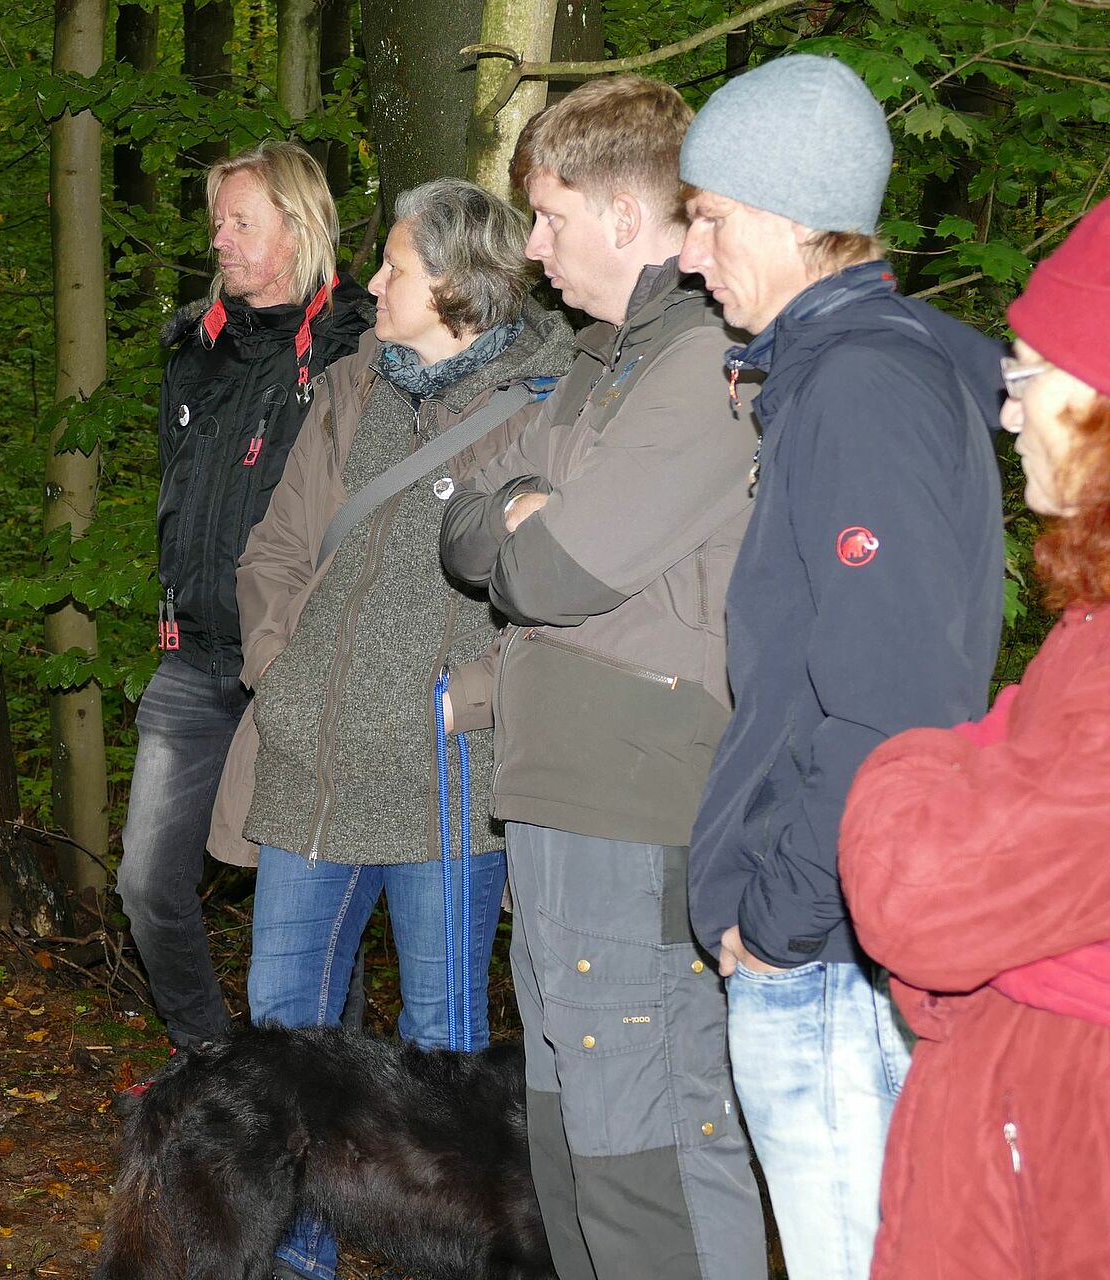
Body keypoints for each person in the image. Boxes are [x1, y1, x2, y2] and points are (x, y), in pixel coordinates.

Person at [677, 56, 1005, 1280]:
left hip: (830, 955)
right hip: (834, 934)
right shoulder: (841, 374)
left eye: (709, 217)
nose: (691, 252)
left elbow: (896, 703)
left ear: (787, 213)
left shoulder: (863, 389)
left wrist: (783, 919)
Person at [436, 76, 766, 1280]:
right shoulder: (595, 363)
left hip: (633, 812)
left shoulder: (706, 367)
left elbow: (550, 570)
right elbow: (464, 526)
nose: (532, 246)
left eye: (549, 215)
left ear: (627, 217)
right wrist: (521, 513)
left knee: (647, 1158)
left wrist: (528, 517)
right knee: (571, 1150)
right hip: (555, 799)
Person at [215, 177, 575, 1280]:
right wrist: (279, 672)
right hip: (311, 771)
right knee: (283, 1044)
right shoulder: (351, 385)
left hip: (445, 781)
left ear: (457, 286)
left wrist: (472, 697)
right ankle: (298, 1264)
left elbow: (570, 593)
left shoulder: (552, 402)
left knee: (443, 1060)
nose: (371, 281)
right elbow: (276, 549)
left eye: (396, 267)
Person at [838, 198, 1110, 1280]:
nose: (1007, 410)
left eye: (1032, 374)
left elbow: (923, 899)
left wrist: (907, 759)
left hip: (1055, 1176)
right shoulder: (1089, 631)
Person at [118, 141, 372, 1051]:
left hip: (302, 666)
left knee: (307, 903)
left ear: (299, 228)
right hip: (194, 658)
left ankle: (327, 1092)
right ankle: (213, 1063)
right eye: (216, 221)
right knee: (147, 885)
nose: (218, 239)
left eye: (241, 222)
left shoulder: (363, 348)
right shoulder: (196, 347)